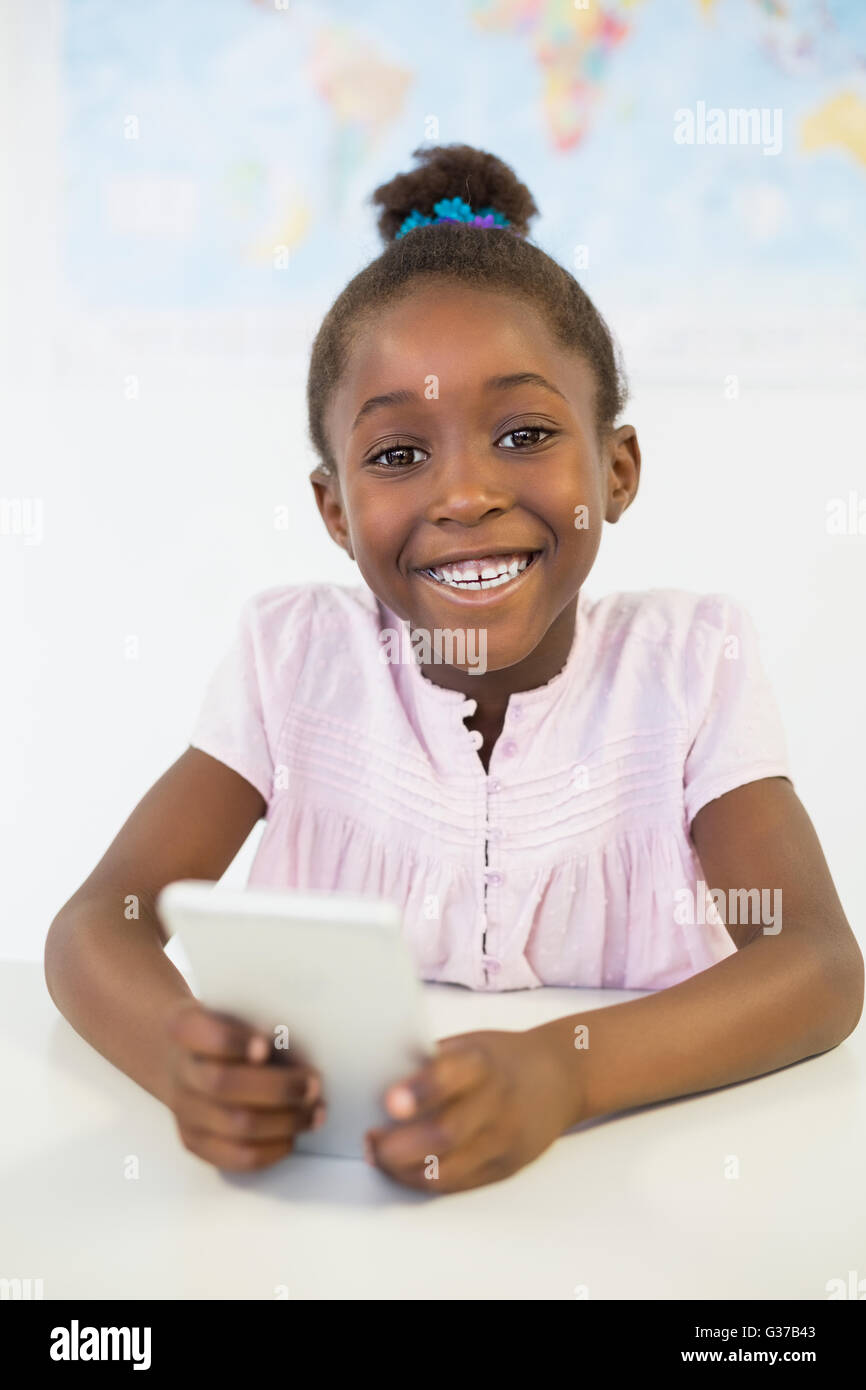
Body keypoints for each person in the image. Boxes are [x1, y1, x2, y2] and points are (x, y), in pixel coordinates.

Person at [45, 144, 863, 1194]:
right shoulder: (293, 663)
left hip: (633, 1195)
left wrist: (566, 1073)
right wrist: (177, 1052)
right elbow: (96, 923)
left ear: (614, 472)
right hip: (329, 1200)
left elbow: (814, 966)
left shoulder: (686, 665)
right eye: (395, 455)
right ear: (334, 511)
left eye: (522, 433)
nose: (464, 494)